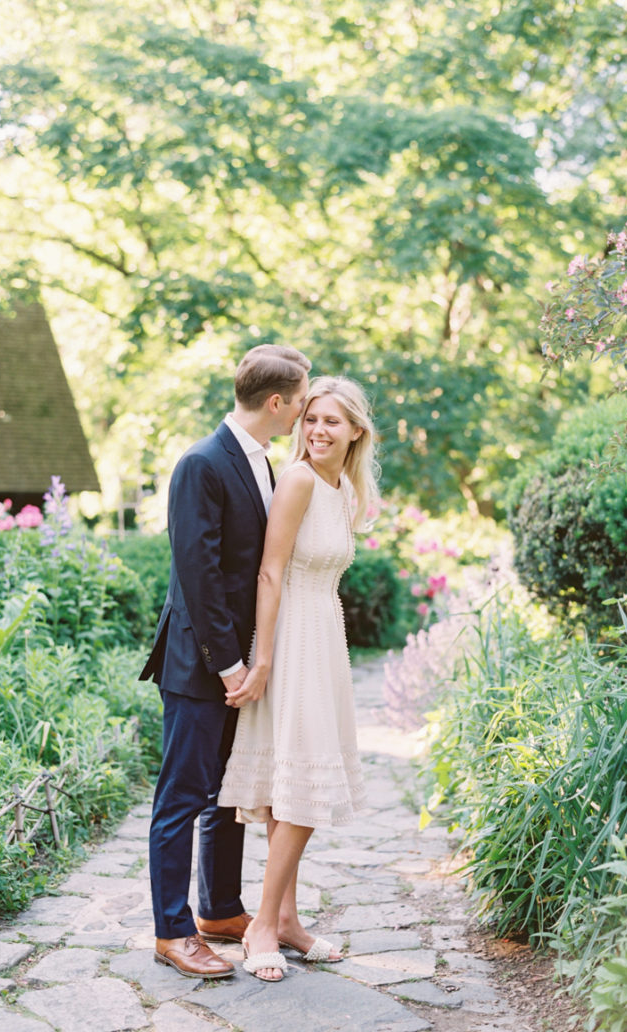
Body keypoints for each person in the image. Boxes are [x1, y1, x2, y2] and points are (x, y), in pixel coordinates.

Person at [139, 344, 311, 979]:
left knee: (228, 793)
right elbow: (199, 576)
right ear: (276, 402)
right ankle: (172, 930)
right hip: (200, 664)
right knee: (182, 796)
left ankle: (219, 910)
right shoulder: (201, 463)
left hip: (242, 662)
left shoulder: (262, 461)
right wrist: (228, 664)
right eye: (299, 401)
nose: (302, 412)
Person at [218, 375, 380, 981]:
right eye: (310, 418)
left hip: (324, 638)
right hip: (287, 642)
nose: (315, 430)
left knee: (297, 786)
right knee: (301, 791)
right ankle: (262, 923)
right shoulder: (298, 481)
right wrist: (261, 661)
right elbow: (270, 572)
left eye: (330, 421)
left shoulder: (342, 491)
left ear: (356, 432)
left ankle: (285, 920)